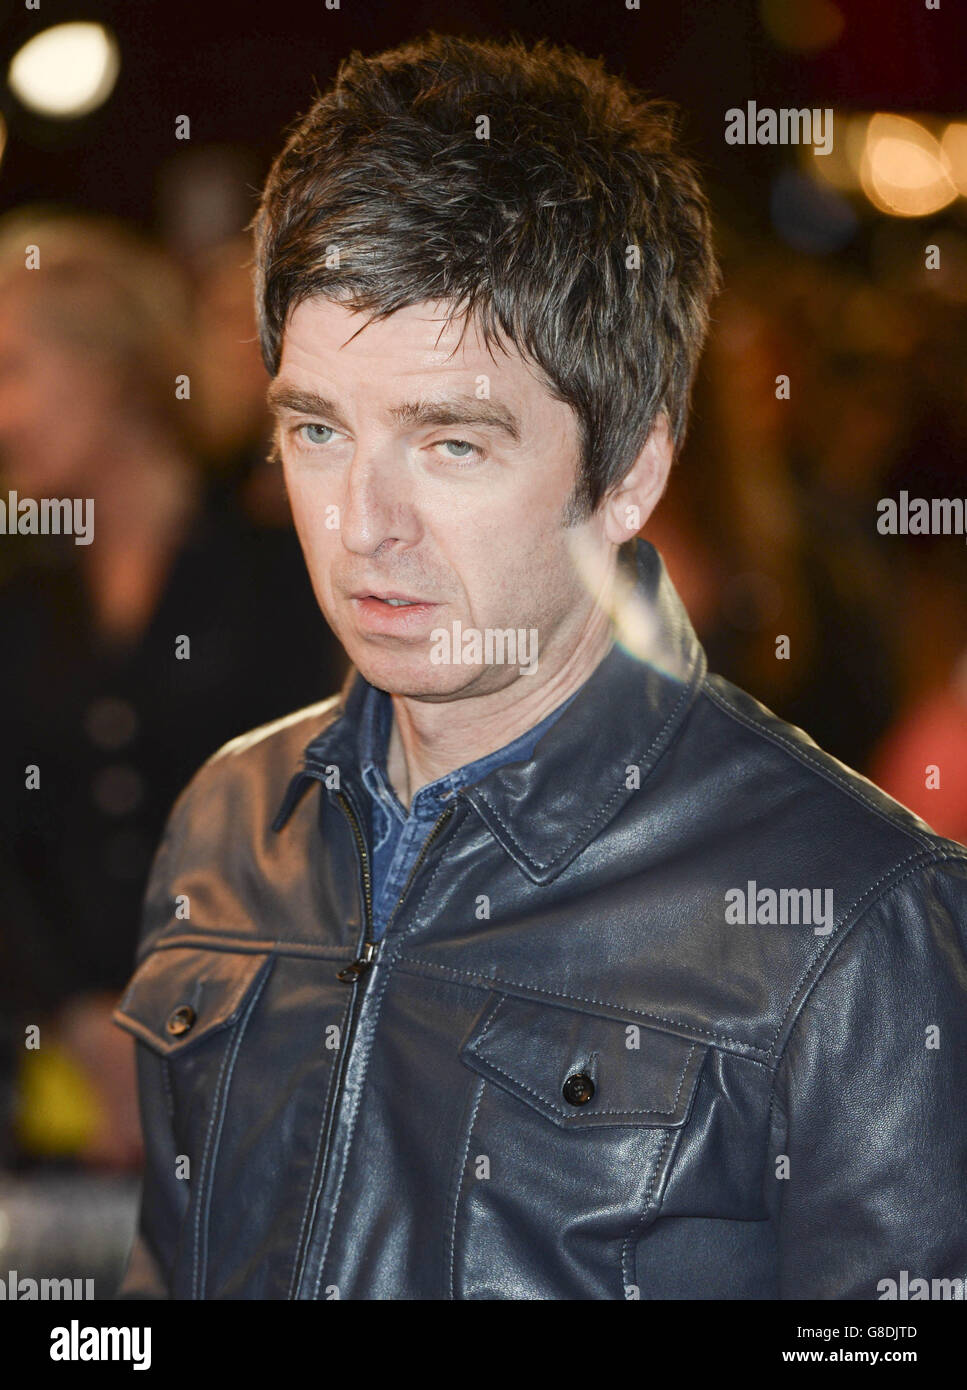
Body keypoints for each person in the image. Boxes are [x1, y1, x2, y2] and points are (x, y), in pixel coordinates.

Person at [113, 32, 967, 1300]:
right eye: (318, 429)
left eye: (450, 444)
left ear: (630, 472)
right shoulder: (229, 821)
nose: (363, 524)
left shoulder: (854, 919)